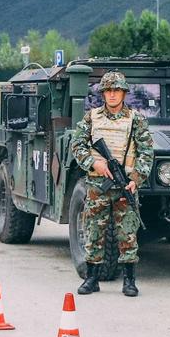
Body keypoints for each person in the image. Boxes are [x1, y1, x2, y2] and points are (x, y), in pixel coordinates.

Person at [68, 71, 154, 297]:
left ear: (124, 93)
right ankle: (91, 279)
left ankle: (129, 281)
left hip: (125, 186)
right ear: (103, 94)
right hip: (98, 185)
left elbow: (146, 152)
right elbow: (77, 144)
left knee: (128, 234)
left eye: (116, 90)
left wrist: (136, 179)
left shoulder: (136, 119)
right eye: (108, 90)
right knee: (94, 231)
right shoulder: (91, 117)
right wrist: (93, 163)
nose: (112, 94)